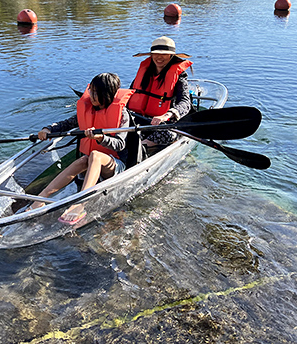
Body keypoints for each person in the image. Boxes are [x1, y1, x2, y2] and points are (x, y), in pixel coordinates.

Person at [29, 73, 134, 225]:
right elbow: (66, 124)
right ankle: (41, 198)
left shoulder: (122, 114)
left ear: (107, 94)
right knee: (85, 159)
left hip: (115, 165)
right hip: (91, 160)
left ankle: (80, 203)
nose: (91, 95)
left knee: (96, 155)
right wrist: (48, 129)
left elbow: (120, 144)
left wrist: (101, 138)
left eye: (96, 93)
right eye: (91, 90)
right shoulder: (88, 108)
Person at [128, 36, 193, 149]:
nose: (159, 57)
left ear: (171, 55)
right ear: (151, 55)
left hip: (165, 124)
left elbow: (185, 102)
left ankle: (142, 146)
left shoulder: (179, 76)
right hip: (141, 120)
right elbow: (130, 93)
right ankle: (139, 144)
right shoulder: (145, 71)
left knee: (168, 133)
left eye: (164, 54)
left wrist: (167, 115)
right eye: (156, 53)